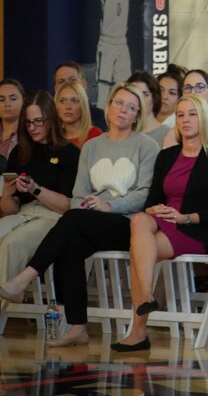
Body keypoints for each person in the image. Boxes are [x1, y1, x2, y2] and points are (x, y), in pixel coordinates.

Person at [1, 83, 160, 345]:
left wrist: (108, 206)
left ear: (137, 116)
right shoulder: (92, 146)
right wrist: (88, 206)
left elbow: (143, 194)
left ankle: (24, 278)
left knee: (71, 220)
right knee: (71, 244)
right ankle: (77, 326)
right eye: (119, 103)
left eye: (131, 108)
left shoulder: (146, 145)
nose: (123, 110)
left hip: (128, 224)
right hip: (91, 218)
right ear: (108, 107)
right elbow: (77, 195)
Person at [0, 93, 80, 284]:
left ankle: (5, 300)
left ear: (51, 119)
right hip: (23, 214)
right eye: (27, 123)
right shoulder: (20, 152)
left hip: (54, 217)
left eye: (38, 121)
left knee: (13, 243)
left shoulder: (69, 153)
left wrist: (36, 189)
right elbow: (10, 209)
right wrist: (7, 195)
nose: (32, 128)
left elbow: (67, 206)